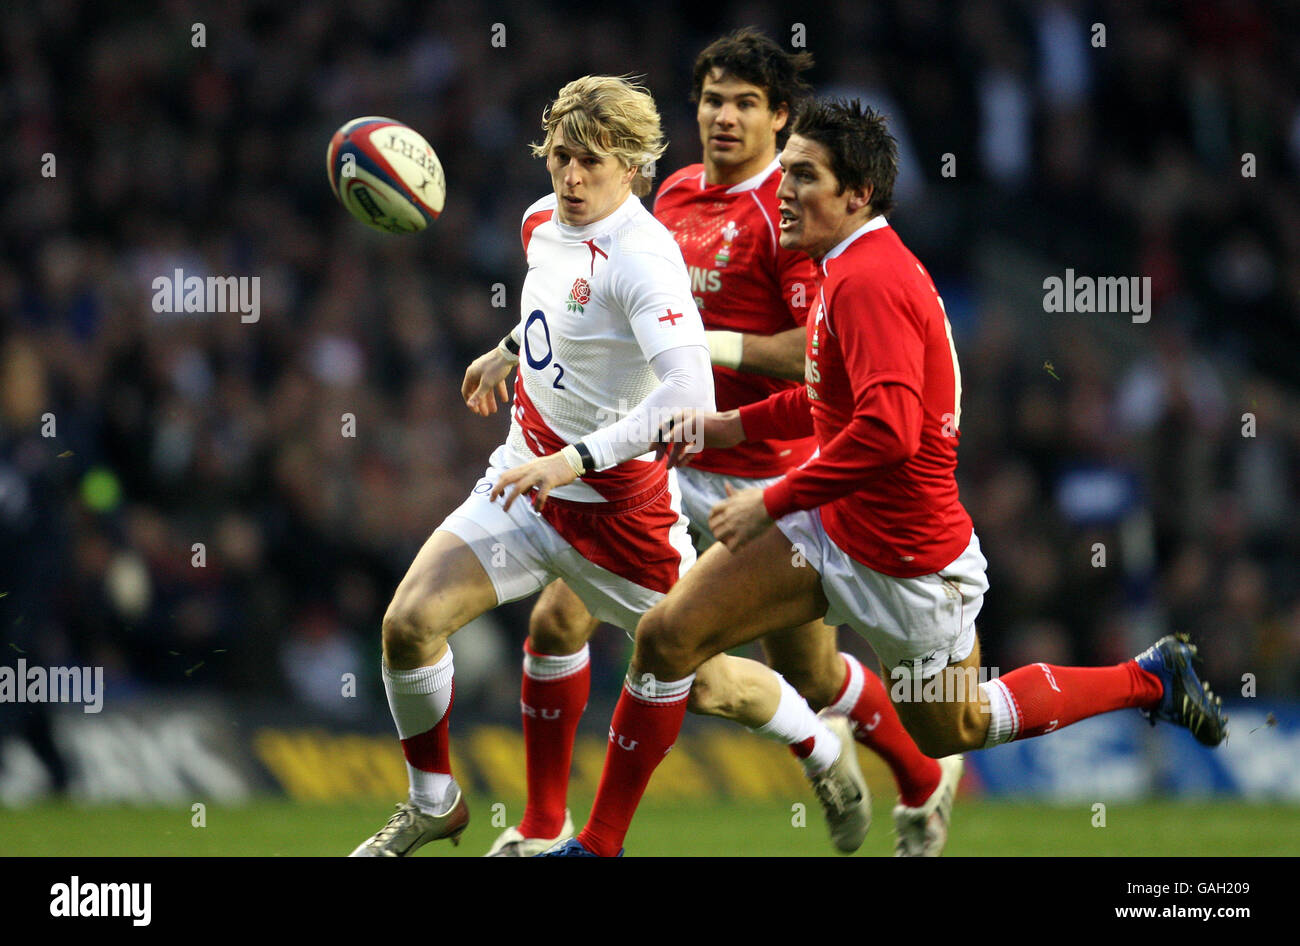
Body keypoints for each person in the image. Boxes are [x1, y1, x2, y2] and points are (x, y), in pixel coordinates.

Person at [546, 98, 1228, 858]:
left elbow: (890, 431)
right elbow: (827, 399)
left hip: (910, 564)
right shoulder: (844, 269)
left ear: (857, 193)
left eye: (804, 176)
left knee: (957, 727)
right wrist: (739, 427)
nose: (784, 191)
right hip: (828, 529)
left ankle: (1149, 678)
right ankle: (598, 846)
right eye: (785, 174)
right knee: (668, 637)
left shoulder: (871, 278)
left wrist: (771, 497)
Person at [349, 74, 859, 857]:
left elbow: (687, 391)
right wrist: (508, 351)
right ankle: (435, 802)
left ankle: (817, 745)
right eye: (560, 157)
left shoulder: (647, 260)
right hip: (524, 482)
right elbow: (557, 307)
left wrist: (574, 461)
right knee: (408, 626)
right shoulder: (539, 223)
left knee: (714, 682)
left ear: (633, 167)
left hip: (621, 516)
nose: (573, 177)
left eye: (592, 161)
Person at [489, 29, 958, 859]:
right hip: (667, 459)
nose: (725, 117)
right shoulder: (666, 196)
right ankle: (542, 828)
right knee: (562, 621)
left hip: (766, 468)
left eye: (747, 103)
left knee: (809, 675)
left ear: (781, 119)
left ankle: (917, 775)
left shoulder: (792, 213)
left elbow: (816, 355)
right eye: (712, 99)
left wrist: (697, 345)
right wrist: (516, 346)